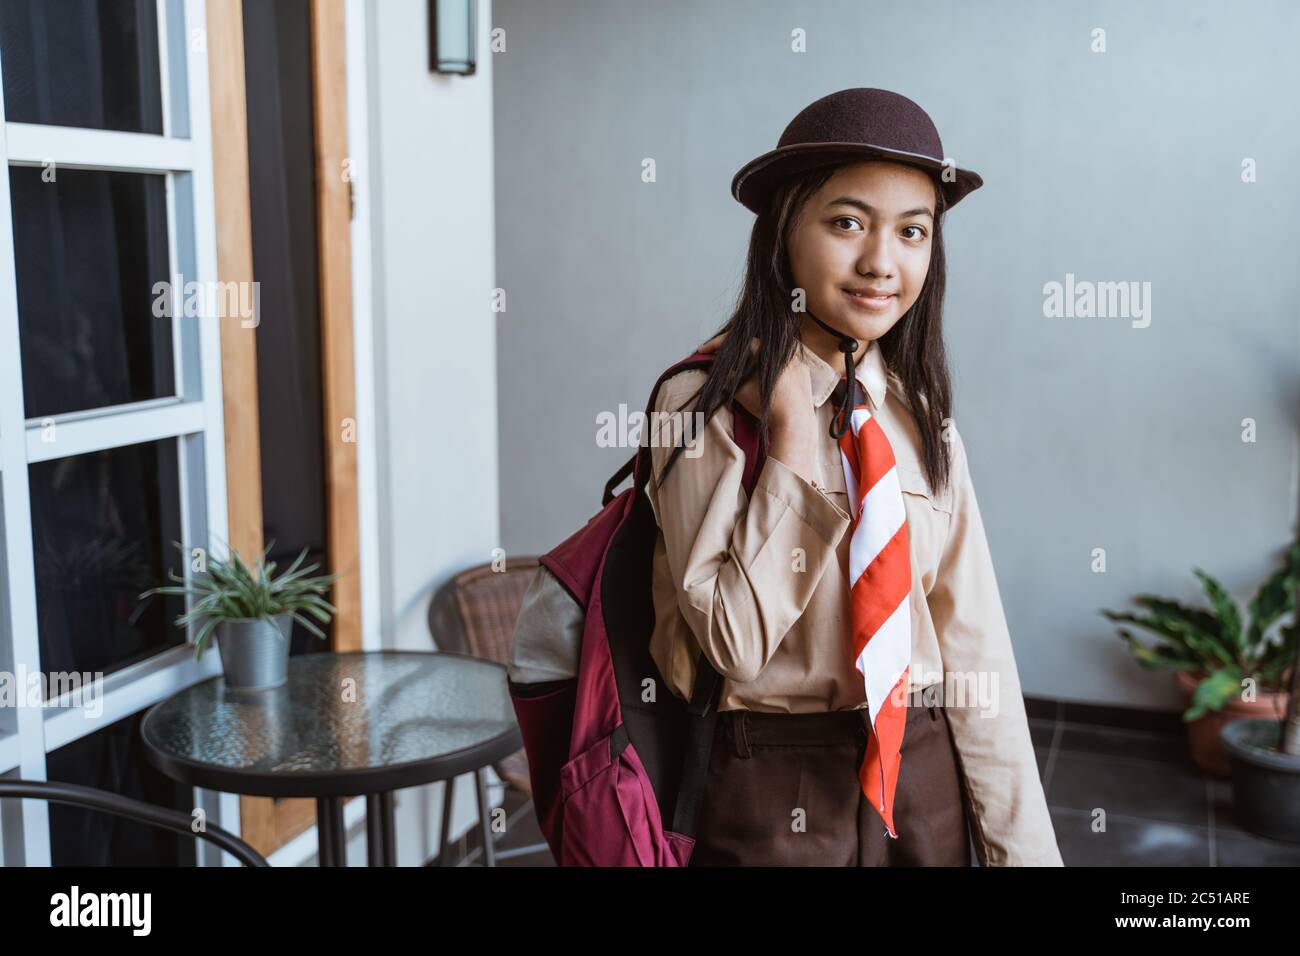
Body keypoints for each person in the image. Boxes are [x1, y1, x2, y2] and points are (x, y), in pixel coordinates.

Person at [643, 88, 1064, 867]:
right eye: (847, 222)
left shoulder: (921, 417)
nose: (881, 261)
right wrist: (794, 439)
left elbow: (977, 650)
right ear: (783, 232)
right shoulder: (696, 405)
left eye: (913, 232)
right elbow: (734, 642)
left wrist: (1025, 855)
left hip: (921, 774)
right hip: (772, 785)